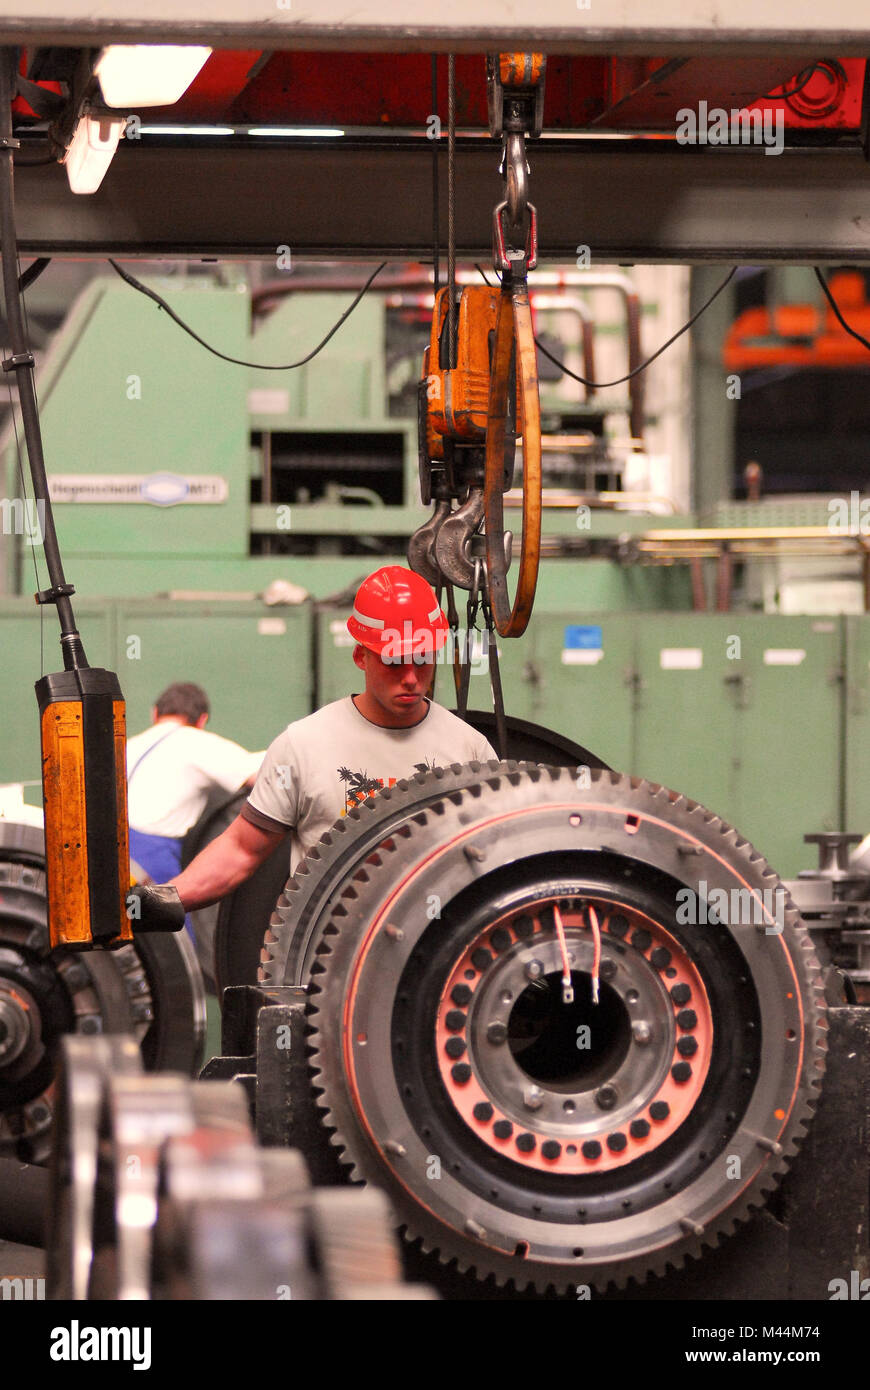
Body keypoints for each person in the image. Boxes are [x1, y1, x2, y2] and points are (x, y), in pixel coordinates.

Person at [146, 567, 497, 921]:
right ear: (361, 656)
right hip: (330, 961)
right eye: (393, 660)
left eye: (422, 658)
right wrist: (155, 904)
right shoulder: (304, 745)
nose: (410, 677)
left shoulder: (469, 750)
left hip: (436, 957)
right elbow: (240, 850)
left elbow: (496, 856)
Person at [126, 681, 264, 890]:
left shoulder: (128, 745)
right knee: (171, 920)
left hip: (109, 855)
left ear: (154, 714)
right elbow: (257, 775)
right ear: (202, 720)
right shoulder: (196, 742)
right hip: (151, 861)